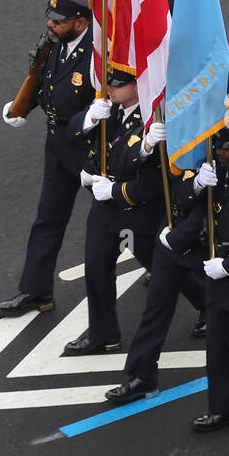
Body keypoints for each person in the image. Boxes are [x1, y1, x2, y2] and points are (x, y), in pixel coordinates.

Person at [0, 0, 94, 318]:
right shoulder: (56, 43)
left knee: (128, 227)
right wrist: (22, 107)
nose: (50, 25)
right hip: (58, 147)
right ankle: (36, 291)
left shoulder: (101, 52)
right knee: (48, 220)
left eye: (58, 20)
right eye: (50, 18)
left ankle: (192, 290)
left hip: (92, 153)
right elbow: (44, 81)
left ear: (80, 23)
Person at [60, 65, 166, 356]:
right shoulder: (111, 109)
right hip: (105, 209)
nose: (111, 89)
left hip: (136, 211)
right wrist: (93, 116)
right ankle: (103, 335)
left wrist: (141, 152)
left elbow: (154, 180)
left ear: (137, 85)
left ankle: (207, 308)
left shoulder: (153, 120)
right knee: (96, 267)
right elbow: (73, 132)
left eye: (118, 84)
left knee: (165, 268)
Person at [103, 162, 209, 404]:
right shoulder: (183, 145)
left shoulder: (226, 161)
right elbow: (170, 187)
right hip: (171, 233)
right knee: (156, 308)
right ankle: (143, 375)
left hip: (207, 242)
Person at [190, 125, 229, 432]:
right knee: (217, 347)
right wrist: (197, 185)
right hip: (217, 271)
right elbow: (184, 197)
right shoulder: (216, 169)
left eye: (226, 147)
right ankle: (227, 408)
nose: (219, 151)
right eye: (218, 146)